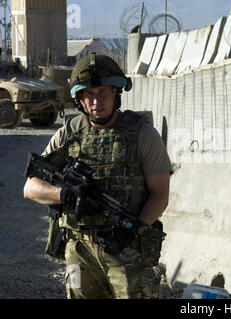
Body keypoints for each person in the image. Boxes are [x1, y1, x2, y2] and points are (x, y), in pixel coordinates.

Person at [23, 53, 173, 299]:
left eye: (103, 92)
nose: (96, 101)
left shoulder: (143, 134)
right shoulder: (69, 134)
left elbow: (160, 195)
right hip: (78, 250)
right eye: (89, 94)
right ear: (80, 98)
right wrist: (65, 194)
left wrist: (132, 231)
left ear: (116, 93)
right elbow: (30, 187)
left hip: (127, 248)